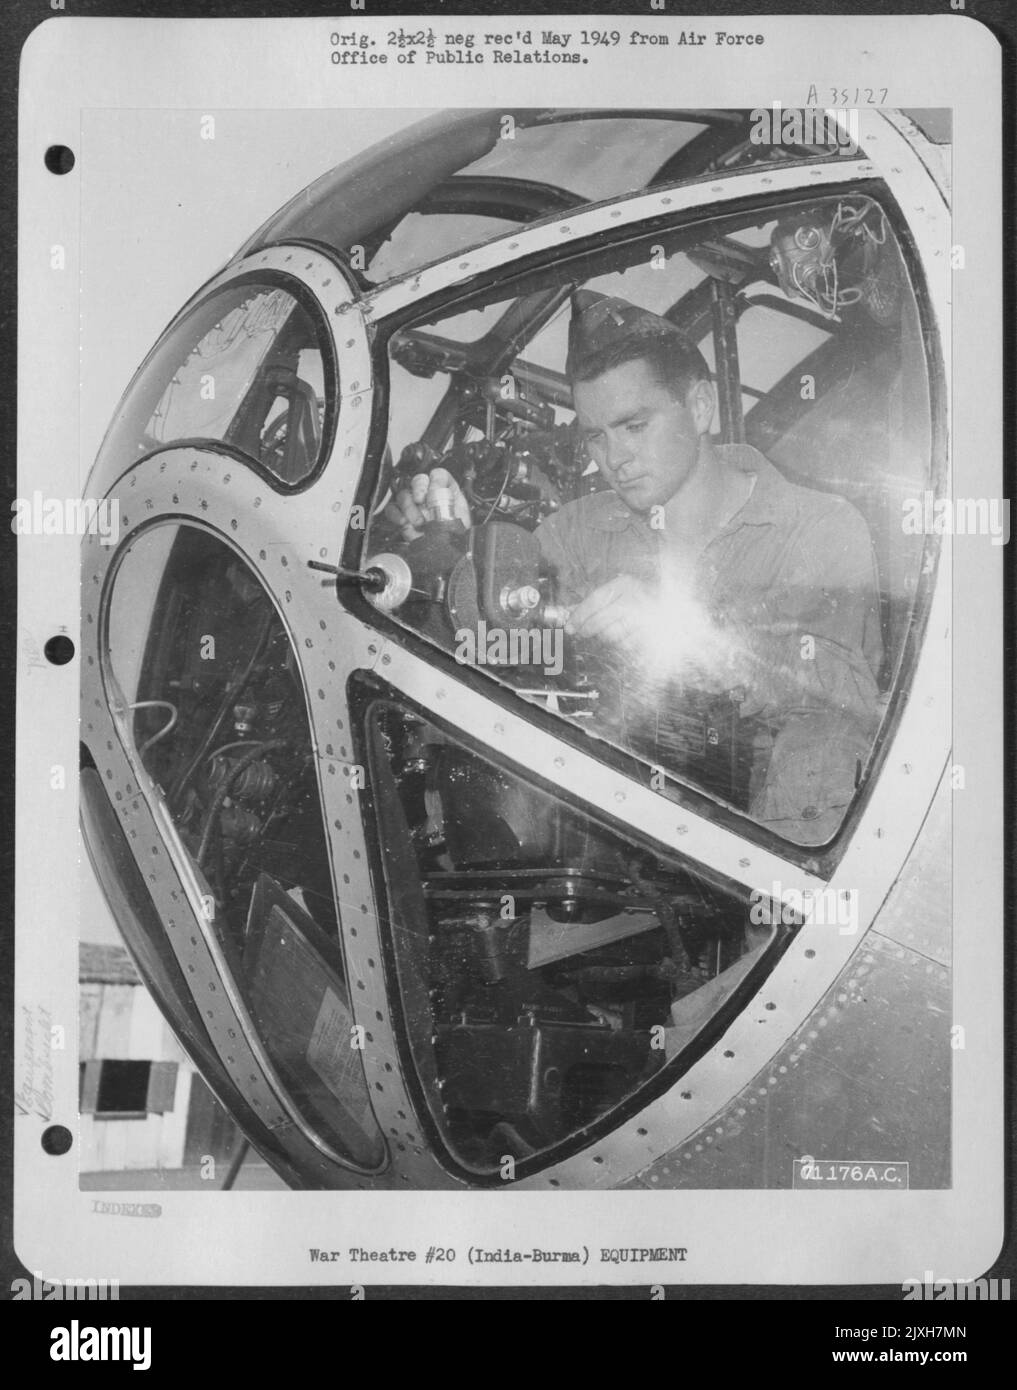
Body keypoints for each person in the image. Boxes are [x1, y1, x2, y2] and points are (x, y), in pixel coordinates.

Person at [385, 291, 884, 845]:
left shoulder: (818, 528)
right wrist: (452, 551)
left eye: (634, 426)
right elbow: (495, 639)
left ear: (699, 408)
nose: (613, 457)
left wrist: (685, 632)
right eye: (596, 436)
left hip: (770, 852)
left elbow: (844, 697)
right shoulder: (578, 531)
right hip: (620, 844)